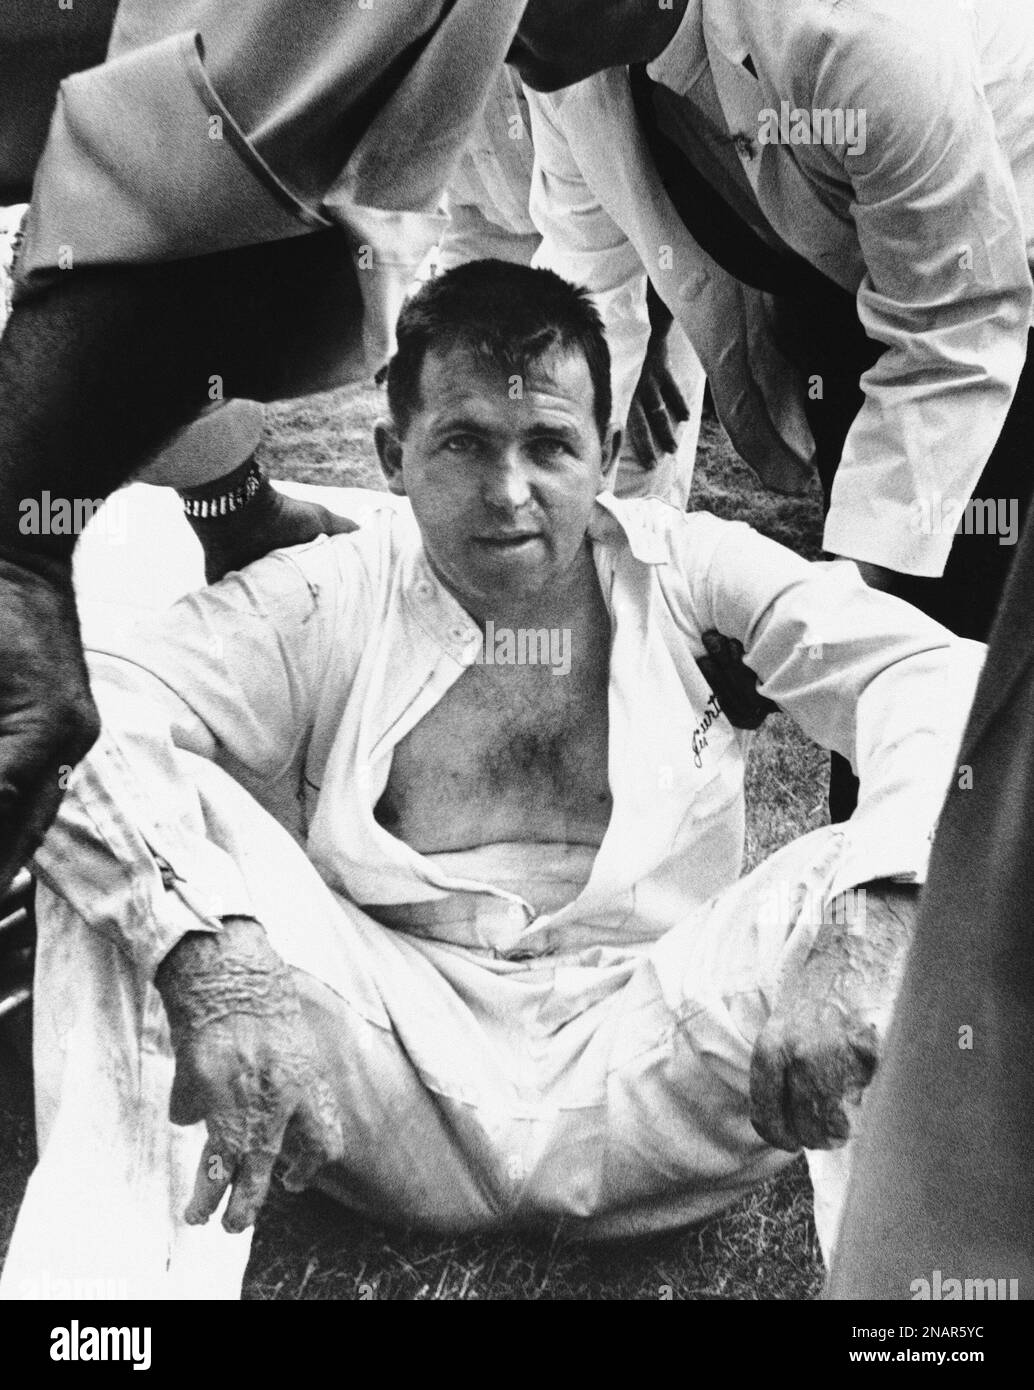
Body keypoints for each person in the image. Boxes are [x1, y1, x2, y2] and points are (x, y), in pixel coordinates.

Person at [0, 263, 983, 1299]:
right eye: (464, 442)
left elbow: (936, 677)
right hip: (387, 1072)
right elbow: (79, 707)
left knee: (883, 884)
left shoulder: (689, 572)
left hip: (656, 1056)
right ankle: (105, 1307)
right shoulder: (327, 591)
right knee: (145, 846)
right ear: (394, 455)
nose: (508, 492)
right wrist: (212, 951)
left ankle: (921, 1321)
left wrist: (868, 923)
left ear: (603, 455)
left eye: (548, 446)